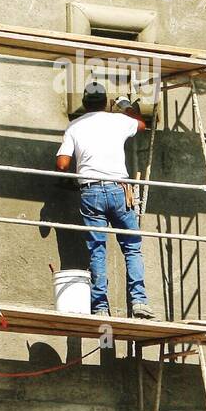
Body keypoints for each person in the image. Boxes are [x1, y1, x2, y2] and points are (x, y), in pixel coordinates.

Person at [55, 81, 155, 319]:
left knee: (97, 250)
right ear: (105, 102)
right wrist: (124, 106)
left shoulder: (74, 126)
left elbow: (62, 163)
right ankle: (139, 301)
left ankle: (100, 307)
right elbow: (141, 124)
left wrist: (70, 177)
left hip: (90, 193)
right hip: (120, 190)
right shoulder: (119, 120)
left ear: (83, 104)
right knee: (132, 248)